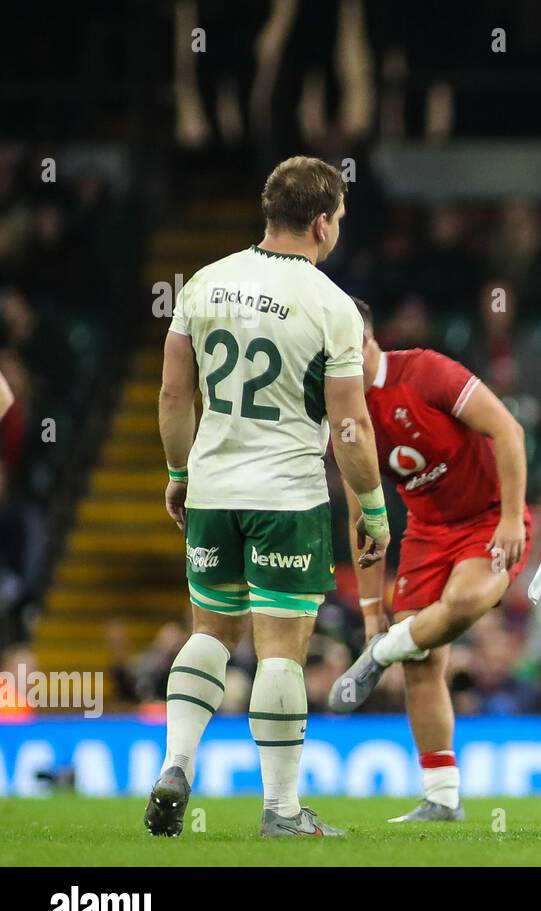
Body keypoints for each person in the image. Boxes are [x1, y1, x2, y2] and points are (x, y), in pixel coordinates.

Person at [152, 156, 390, 838]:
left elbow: (174, 393)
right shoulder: (331, 304)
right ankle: (282, 810)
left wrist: (178, 472)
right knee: (281, 649)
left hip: (213, 490)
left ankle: (176, 765)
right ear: (322, 221)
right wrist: (371, 507)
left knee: (210, 633)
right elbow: (349, 423)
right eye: (338, 219)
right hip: (286, 496)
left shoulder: (204, 283)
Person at [328, 297, 530, 824]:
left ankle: (381, 655)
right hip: (428, 532)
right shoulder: (347, 418)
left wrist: (512, 518)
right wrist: (372, 611)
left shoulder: (425, 372)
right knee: (423, 661)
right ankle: (442, 796)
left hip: (489, 517)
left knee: (464, 601)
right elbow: (365, 521)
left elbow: (508, 430)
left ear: (365, 339)